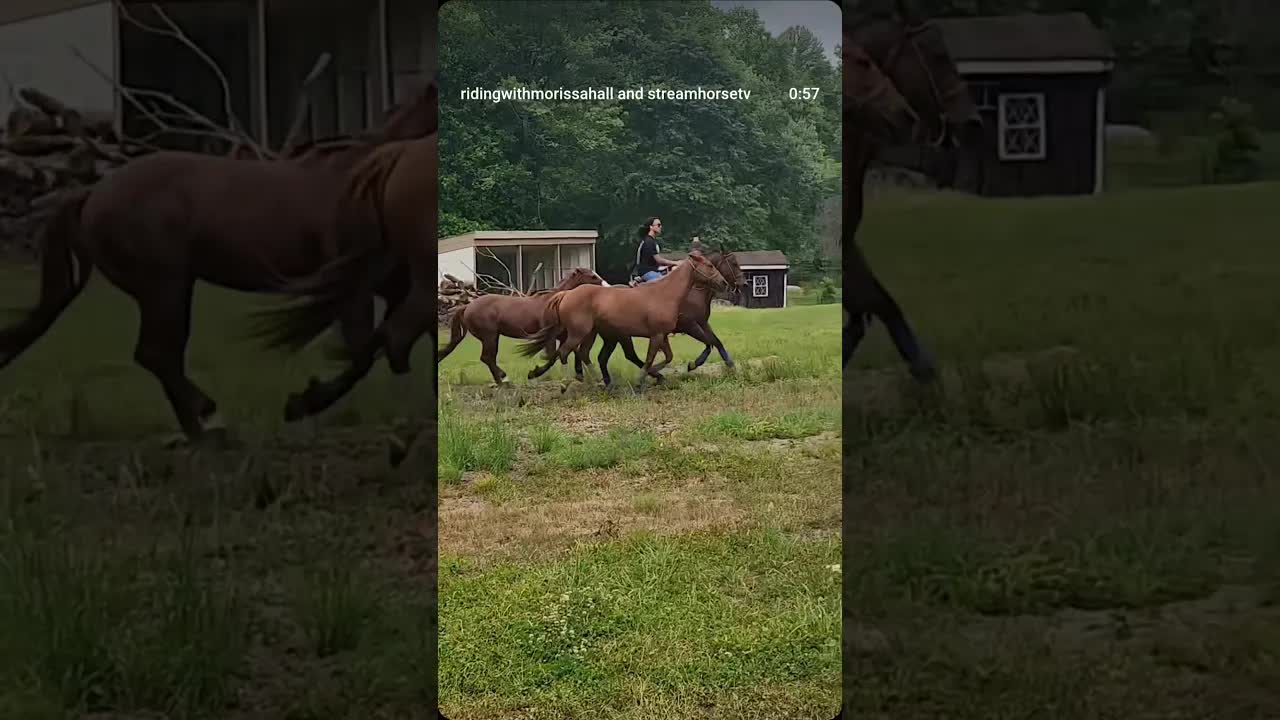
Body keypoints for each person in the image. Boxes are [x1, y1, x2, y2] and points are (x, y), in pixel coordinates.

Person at [633, 216, 677, 282]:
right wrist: (676, 263)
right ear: (651, 227)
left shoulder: (650, 240)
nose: (660, 227)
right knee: (664, 283)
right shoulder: (649, 242)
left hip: (652, 270)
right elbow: (659, 260)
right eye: (658, 225)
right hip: (647, 272)